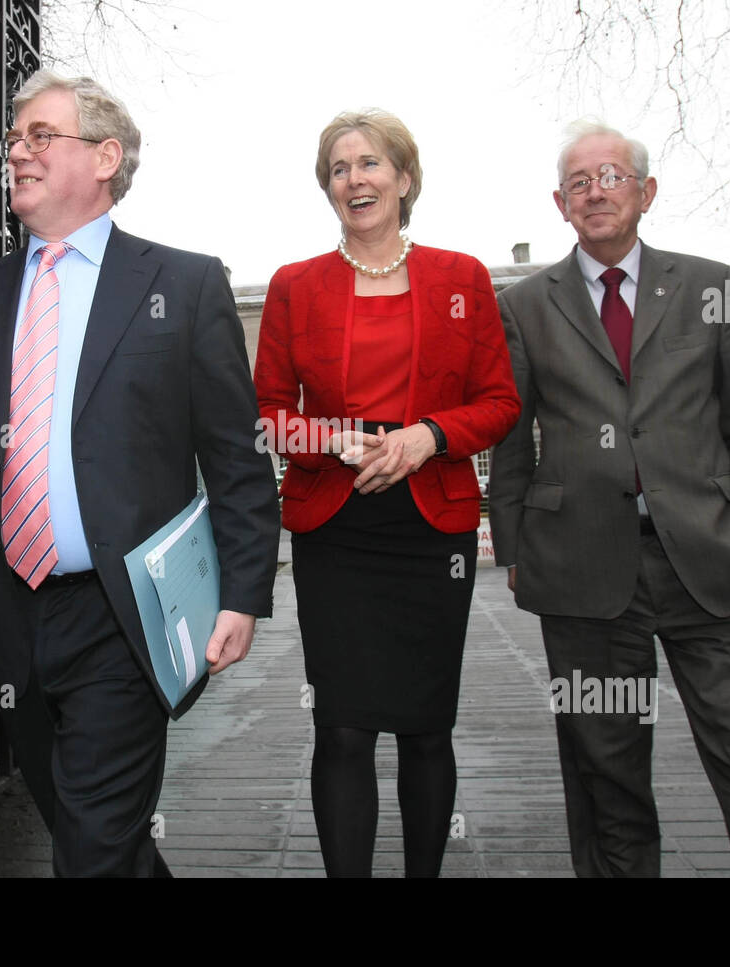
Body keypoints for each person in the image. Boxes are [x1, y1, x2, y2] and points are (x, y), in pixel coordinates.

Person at [0, 70, 280, 876]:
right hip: (5, 618)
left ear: (105, 157)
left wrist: (243, 592)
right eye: (13, 139)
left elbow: (236, 455)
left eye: (39, 136)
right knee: (87, 828)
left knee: (91, 848)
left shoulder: (182, 286)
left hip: (124, 616)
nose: (16, 152)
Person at [489, 120, 730, 877]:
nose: (597, 191)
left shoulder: (708, 285)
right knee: (606, 774)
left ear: (645, 192)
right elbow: (511, 445)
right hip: (582, 574)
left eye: (612, 176)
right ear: (561, 202)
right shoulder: (524, 306)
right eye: (580, 182)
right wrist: (516, 551)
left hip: (711, 563)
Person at [254, 109, 520, 877]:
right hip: (335, 527)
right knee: (340, 728)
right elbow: (270, 414)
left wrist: (425, 437)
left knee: (425, 727)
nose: (355, 179)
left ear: (404, 179)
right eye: (339, 169)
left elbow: (499, 403)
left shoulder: (462, 277)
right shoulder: (294, 285)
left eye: (370, 164)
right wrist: (336, 440)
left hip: (430, 526)